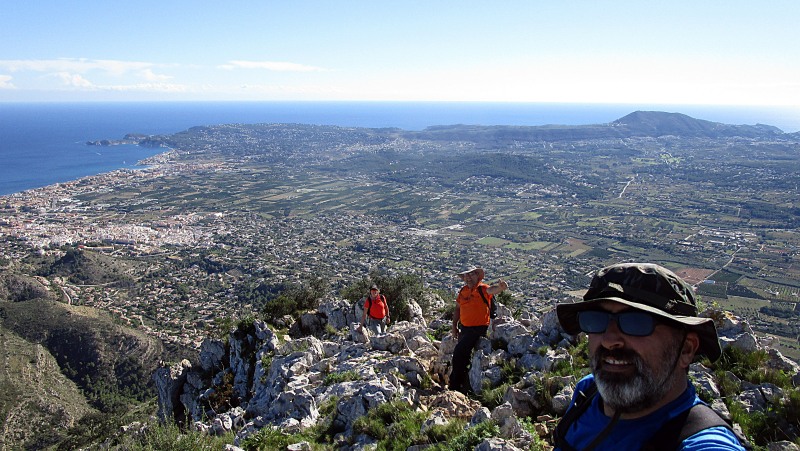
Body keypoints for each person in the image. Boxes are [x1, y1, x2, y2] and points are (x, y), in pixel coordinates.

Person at [553, 263, 747, 450]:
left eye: (636, 322)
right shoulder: (589, 391)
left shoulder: (700, 442)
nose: (609, 340)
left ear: (686, 349)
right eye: (596, 320)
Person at [449, 267, 508, 394]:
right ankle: (463, 384)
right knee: (463, 356)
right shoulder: (463, 291)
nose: (468, 278)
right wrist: (454, 326)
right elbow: (458, 309)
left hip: (478, 328)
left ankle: (454, 387)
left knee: (459, 353)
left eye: (471, 274)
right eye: (466, 275)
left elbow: (492, 290)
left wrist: (501, 287)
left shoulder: (482, 289)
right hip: (464, 328)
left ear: (477, 276)